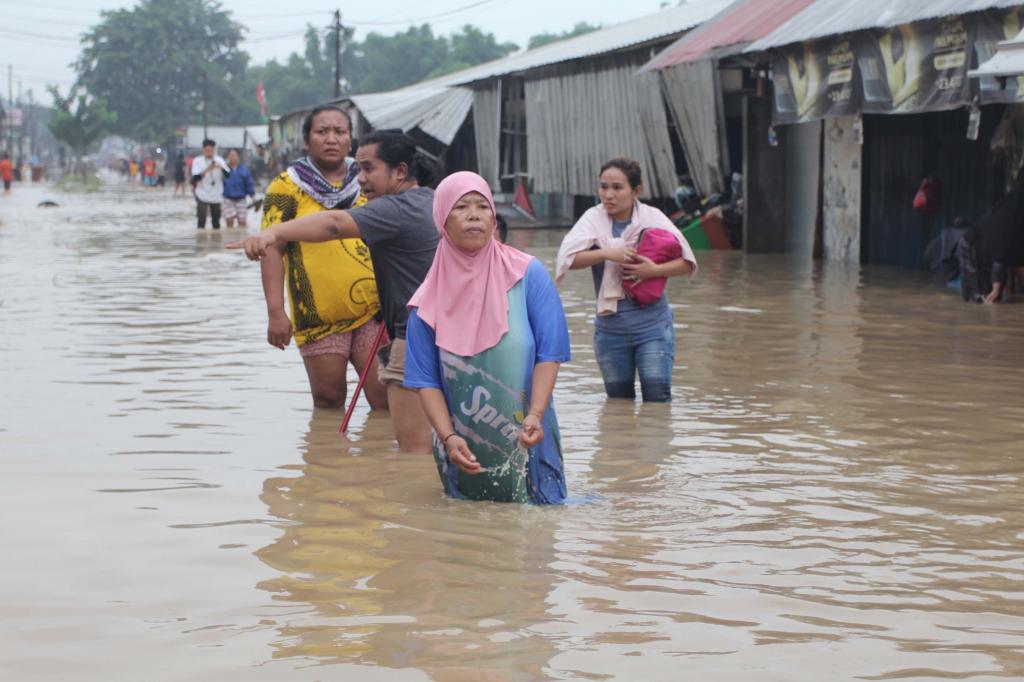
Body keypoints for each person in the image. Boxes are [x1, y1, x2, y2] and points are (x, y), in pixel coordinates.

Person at [228, 129, 439, 453]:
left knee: (415, 454)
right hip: (435, 332)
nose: (361, 178)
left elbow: (334, 224)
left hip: (413, 339)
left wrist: (272, 233)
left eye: (369, 169)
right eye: (359, 168)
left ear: (400, 171)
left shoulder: (395, 209)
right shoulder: (433, 200)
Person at [404, 172, 571, 504]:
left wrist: (536, 413)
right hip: (460, 448)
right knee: (468, 535)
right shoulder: (426, 304)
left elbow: (550, 353)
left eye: (482, 206)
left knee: (540, 527)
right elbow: (425, 380)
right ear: (441, 219)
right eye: (461, 206)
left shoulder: (529, 275)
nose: (474, 214)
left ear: (493, 218)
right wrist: (448, 437)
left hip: (531, 434)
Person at [254, 106, 387, 411]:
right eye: (322, 132)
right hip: (318, 313)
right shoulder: (286, 187)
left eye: (340, 132)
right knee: (329, 400)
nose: (331, 139)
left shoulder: (369, 181)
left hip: (375, 309)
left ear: (351, 140)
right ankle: (326, 458)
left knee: (385, 400)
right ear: (306, 140)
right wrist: (276, 311)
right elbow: (272, 247)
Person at [556, 157, 697, 403]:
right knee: (618, 405)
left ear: (637, 190)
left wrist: (654, 271)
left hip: (652, 327)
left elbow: (687, 261)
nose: (608, 194)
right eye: (603, 187)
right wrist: (605, 253)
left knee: (657, 402)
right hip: (610, 330)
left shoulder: (654, 219)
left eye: (617, 187)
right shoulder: (592, 219)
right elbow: (568, 259)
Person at [191, 139, 230, 229]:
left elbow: (228, 175)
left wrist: (220, 167)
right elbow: (195, 178)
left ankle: (216, 241)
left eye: (211, 150)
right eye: (207, 150)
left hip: (216, 194)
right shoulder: (197, 160)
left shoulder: (219, 160)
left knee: (216, 221)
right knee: (201, 219)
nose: (209, 152)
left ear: (214, 150)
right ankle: (200, 240)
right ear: (203, 150)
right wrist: (208, 169)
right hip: (201, 194)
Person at [222, 149, 255, 229]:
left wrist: (253, 196)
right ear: (228, 157)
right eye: (231, 156)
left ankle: (241, 238)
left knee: (242, 221)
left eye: (234, 155)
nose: (233, 158)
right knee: (229, 220)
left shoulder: (244, 170)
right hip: (228, 198)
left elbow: (249, 184)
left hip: (241, 198)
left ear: (238, 157)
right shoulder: (224, 169)